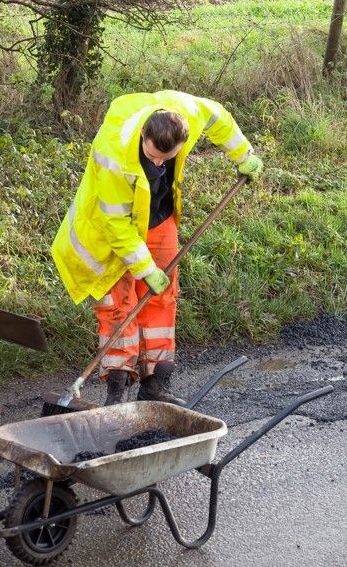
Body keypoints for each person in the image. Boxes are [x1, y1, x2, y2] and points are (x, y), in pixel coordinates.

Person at [51, 90, 262, 405]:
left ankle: (156, 385)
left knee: (162, 298)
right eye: (152, 157)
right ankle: (117, 391)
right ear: (142, 134)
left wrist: (244, 156)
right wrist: (145, 268)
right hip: (110, 227)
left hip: (157, 217)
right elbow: (117, 225)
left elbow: (219, 117)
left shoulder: (188, 112)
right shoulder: (114, 152)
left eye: (167, 158)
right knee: (118, 305)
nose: (159, 163)